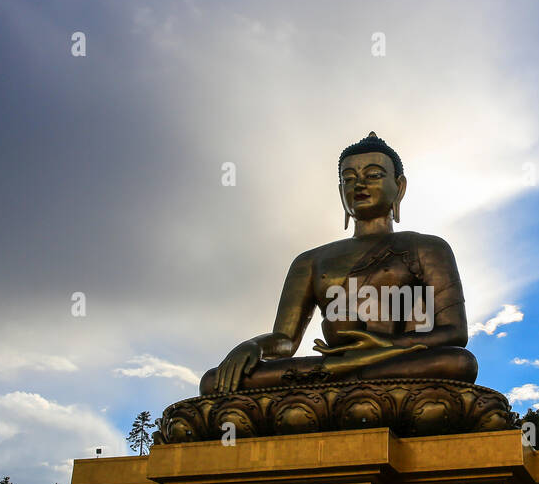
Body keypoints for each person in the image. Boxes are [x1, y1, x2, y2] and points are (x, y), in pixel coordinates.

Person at [202, 133, 478, 393]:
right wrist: (253, 345)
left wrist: (386, 345)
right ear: (340, 191)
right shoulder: (309, 261)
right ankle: (345, 383)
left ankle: (336, 385)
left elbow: (454, 332)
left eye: (373, 175)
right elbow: (285, 340)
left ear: (400, 187)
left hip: (394, 361)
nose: (359, 184)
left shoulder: (428, 247)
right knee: (215, 381)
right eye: (349, 178)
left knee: (457, 363)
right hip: (332, 366)